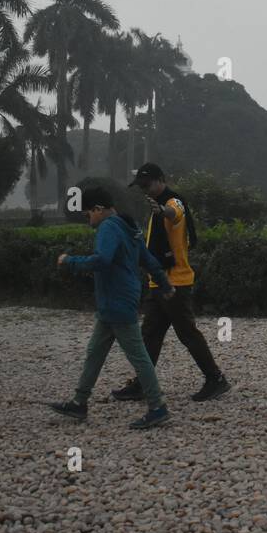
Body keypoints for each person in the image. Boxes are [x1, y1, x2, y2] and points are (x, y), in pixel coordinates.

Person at [52, 185, 176, 430]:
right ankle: (79, 402)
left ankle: (158, 406)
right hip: (114, 304)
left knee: (139, 357)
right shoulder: (128, 227)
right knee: (95, 352)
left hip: (117, 302)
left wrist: (70, 262)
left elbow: (102, 260)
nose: (88, 218)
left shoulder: (108, 228)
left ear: (98, 209)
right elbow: (148, 260)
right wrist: (165, 284)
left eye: (88, 213)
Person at [109, 163, 231, 403]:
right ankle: (143, 383)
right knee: (150, 335)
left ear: (160, 180)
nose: (145, 190)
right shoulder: (155, 206)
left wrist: (162, 210)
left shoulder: (174, 202)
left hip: (175, 282)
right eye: (141, 186)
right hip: (159, 281)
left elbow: (174, 214)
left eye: (147, 185)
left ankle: (216, 379)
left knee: (187, 333)